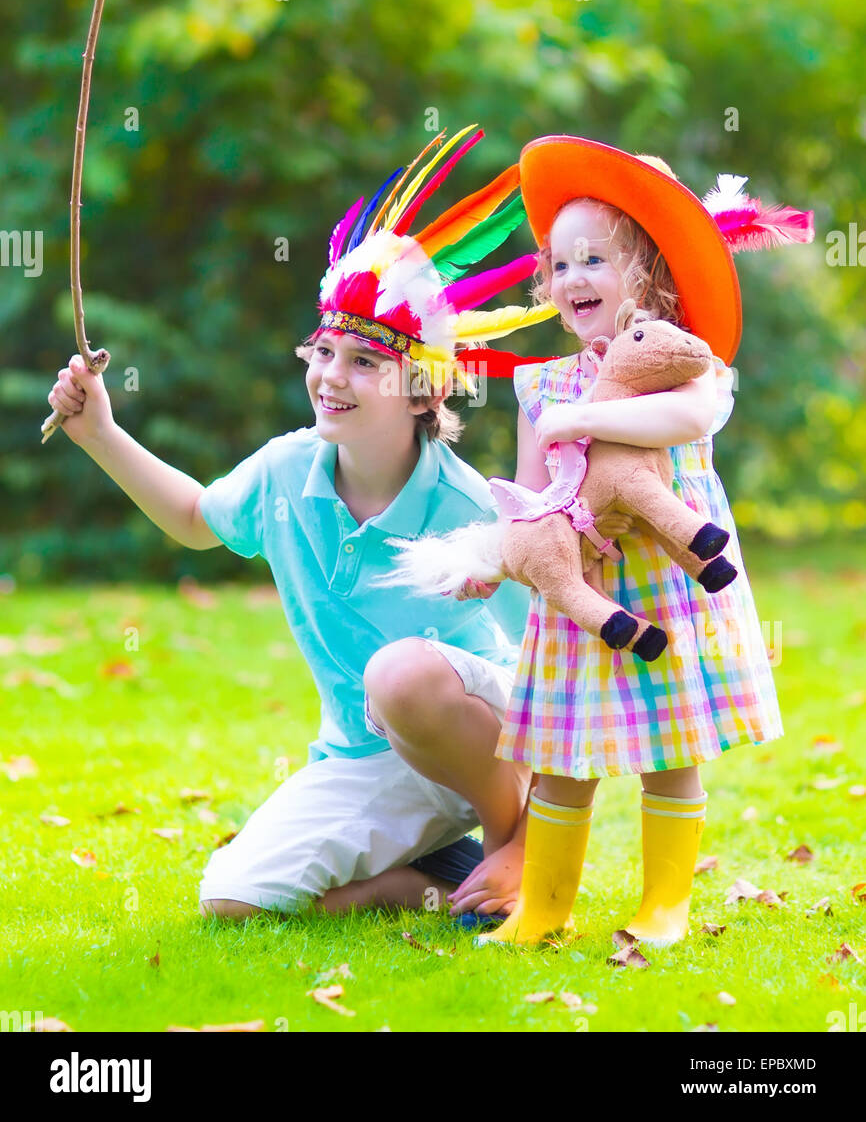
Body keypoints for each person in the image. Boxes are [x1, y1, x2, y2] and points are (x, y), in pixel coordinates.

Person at [45, 125, 559, 922]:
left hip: (480, 736)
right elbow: (192, 519)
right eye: (323, 353)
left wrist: (530, 833)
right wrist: (102, 435)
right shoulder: (286, 470)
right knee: (233, 902)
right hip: (368, 754)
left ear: (423, 392)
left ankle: (509, 849)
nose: (331, 377)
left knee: (401, 673)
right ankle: (438, 881)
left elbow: (549, 671)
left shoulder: (470, 509)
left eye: (364, 361)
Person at [466, 136, 813, 947]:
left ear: (647, 270)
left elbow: (688, 421)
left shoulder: (686, 366)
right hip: (583, 593)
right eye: (558, 264)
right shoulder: (538, 384)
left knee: (671, 746)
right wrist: (497, 555)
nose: (572, 278)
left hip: (668, 586)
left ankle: (664, 905)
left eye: (596, 259)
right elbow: (527, 492)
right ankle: (544, 908)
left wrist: (583, 419)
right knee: (561, 757)